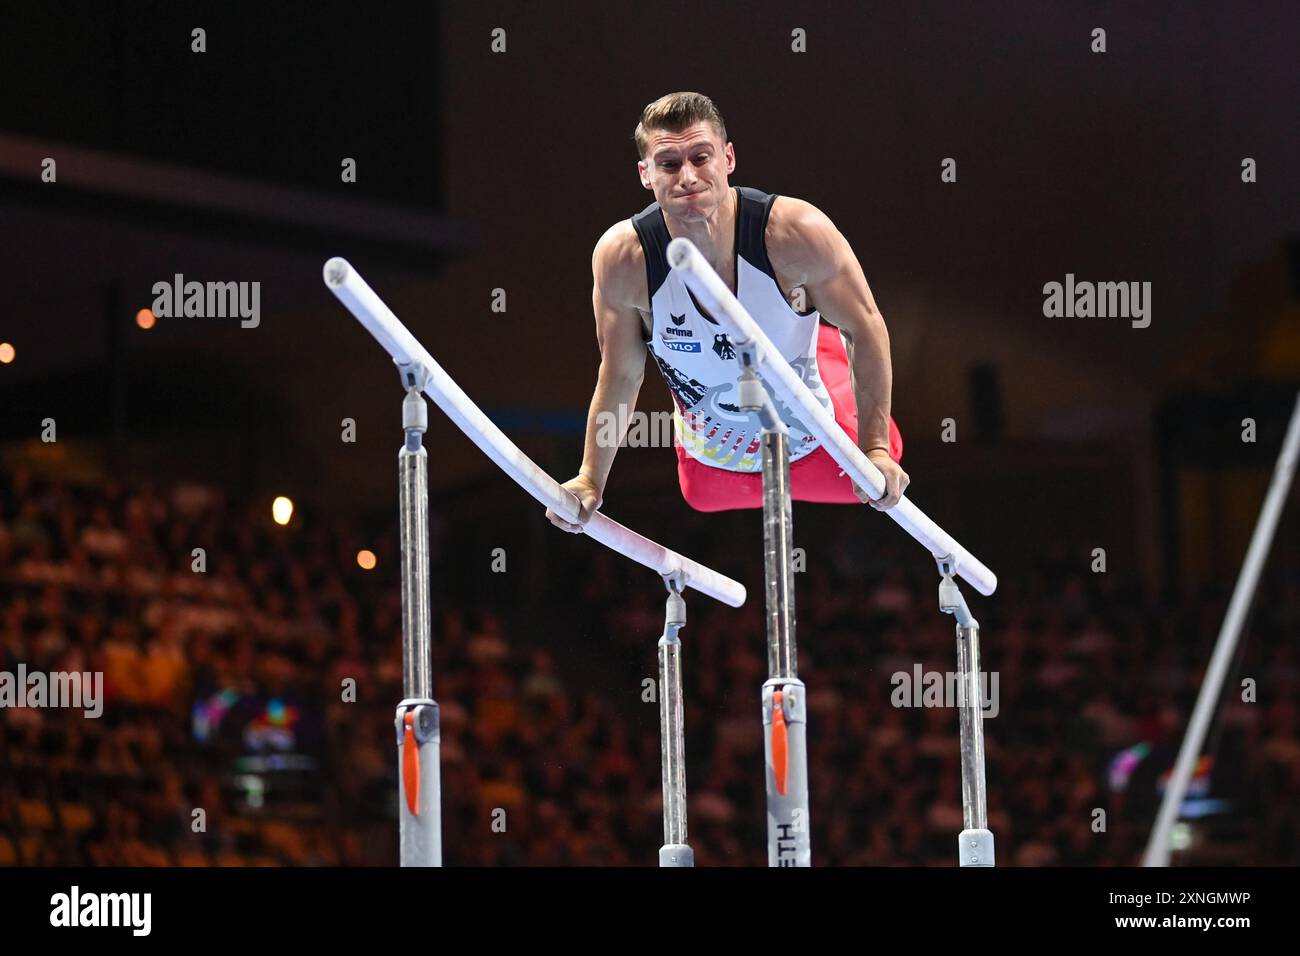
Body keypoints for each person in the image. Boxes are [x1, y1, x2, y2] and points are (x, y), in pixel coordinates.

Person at [547, 91, 907, 533]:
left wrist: (874, 450)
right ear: (645, 174)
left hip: (819, 449)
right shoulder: (624, 259)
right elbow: (620, 374)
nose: (688, 176)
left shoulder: (794, 233)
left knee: (878, 458)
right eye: (669, 164)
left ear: (729, 157)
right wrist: (590, 479)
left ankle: (818, 350)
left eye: (701, 157)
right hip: (712, 469)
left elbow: (864, 327)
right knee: (700, 493)